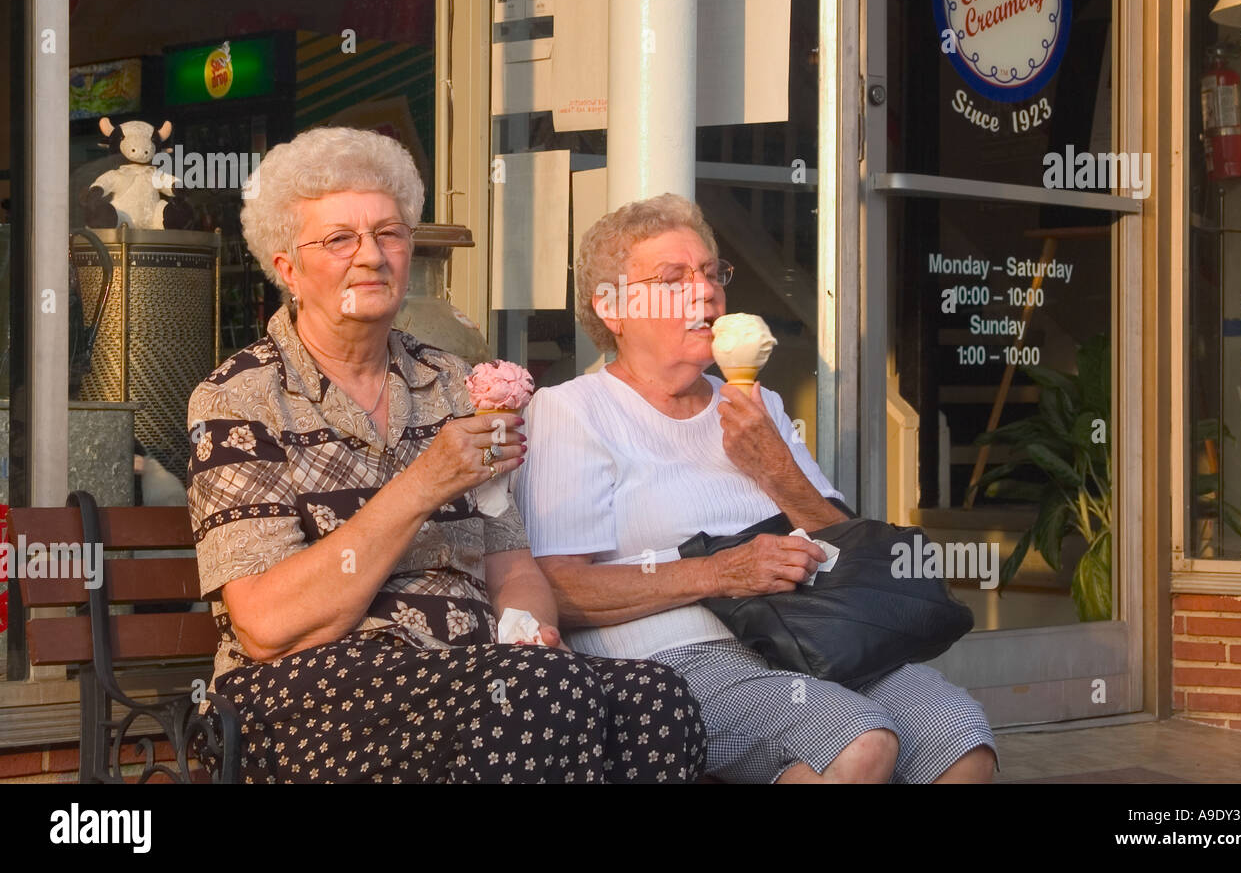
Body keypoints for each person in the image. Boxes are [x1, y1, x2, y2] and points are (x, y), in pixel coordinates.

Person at [186, 128, 706, 783]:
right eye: (340, 239)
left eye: (390, 234)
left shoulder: (454, 384)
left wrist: (526, 628)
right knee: (532, 698)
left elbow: (513, 567)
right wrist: (424, 482)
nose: (371, 256)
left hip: (469, 675)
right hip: (299, 698)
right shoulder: (241, 398)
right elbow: (266, 625)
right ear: (287, 267)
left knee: (657, 703)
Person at [516, 193, 998, 784]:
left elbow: (845, 543)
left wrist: (777, 470)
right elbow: (559, 588)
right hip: (675, 653)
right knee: (856, 743)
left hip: (812, 634)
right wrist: (719, 573)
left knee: (958, 739)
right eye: (674, 278)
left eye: (712, 273)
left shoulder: (755, 402)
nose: (707, 291)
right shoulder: (572, 410)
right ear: (612, 308)